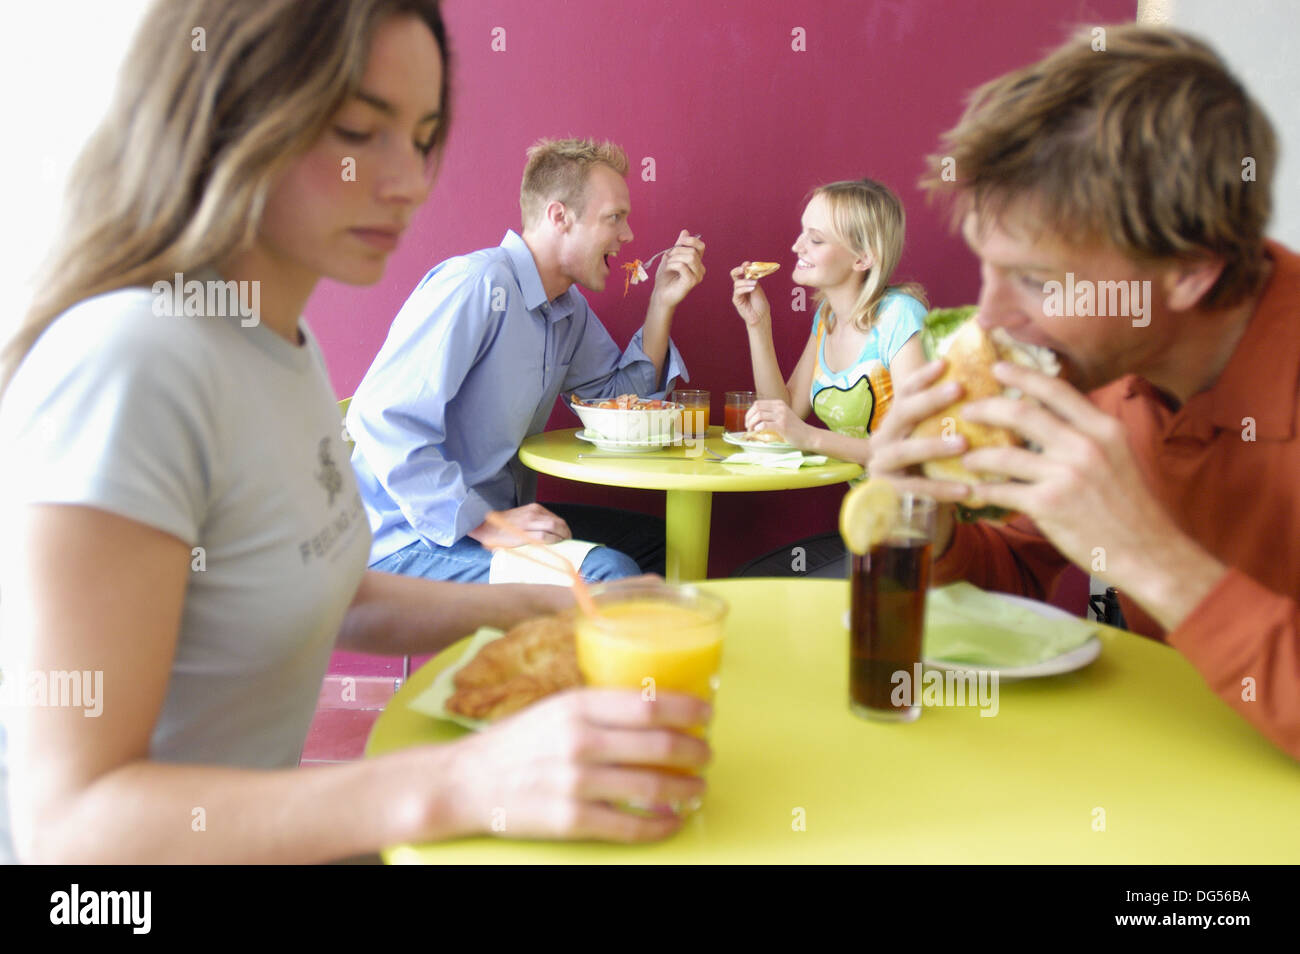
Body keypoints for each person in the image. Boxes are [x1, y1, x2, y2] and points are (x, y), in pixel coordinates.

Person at [0, 0, 710, 865]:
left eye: (420, 138)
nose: (410, 179)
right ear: (234, 116)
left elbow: (338, 586)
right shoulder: (131, 362)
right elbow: (68, 830)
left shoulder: (281, 350)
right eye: (355, 130)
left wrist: (557, 605)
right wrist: (465, 783)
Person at [869, 25, 1300, 759]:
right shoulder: (1097, 370)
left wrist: (1152, 557)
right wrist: (931, 526)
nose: (991, 317)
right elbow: (1019, 572)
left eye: (1037, 280)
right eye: (988, 269)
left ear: (1190, 269)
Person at [347, 138, 706, 585]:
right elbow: (381, 418)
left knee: (659, 542)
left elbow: (621, 403)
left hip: (495, 517)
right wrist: (487, 524)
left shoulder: (567, 310)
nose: (628, 235)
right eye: (615, 218)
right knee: (607, 575)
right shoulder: (476, 285)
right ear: (560, 217)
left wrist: (661, 306)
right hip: (405, 538)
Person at [729, 180, 928, 578]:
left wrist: (811, 438)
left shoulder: (899, 317)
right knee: (752, 581)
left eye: (815, 239)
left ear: (862, 257)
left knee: (790, 602)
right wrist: (758, 324)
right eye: (803, 232)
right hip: (871, 526)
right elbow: (783, 413)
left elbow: (914, 448)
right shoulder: (827, 320)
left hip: (922, 533)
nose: (796, 247)